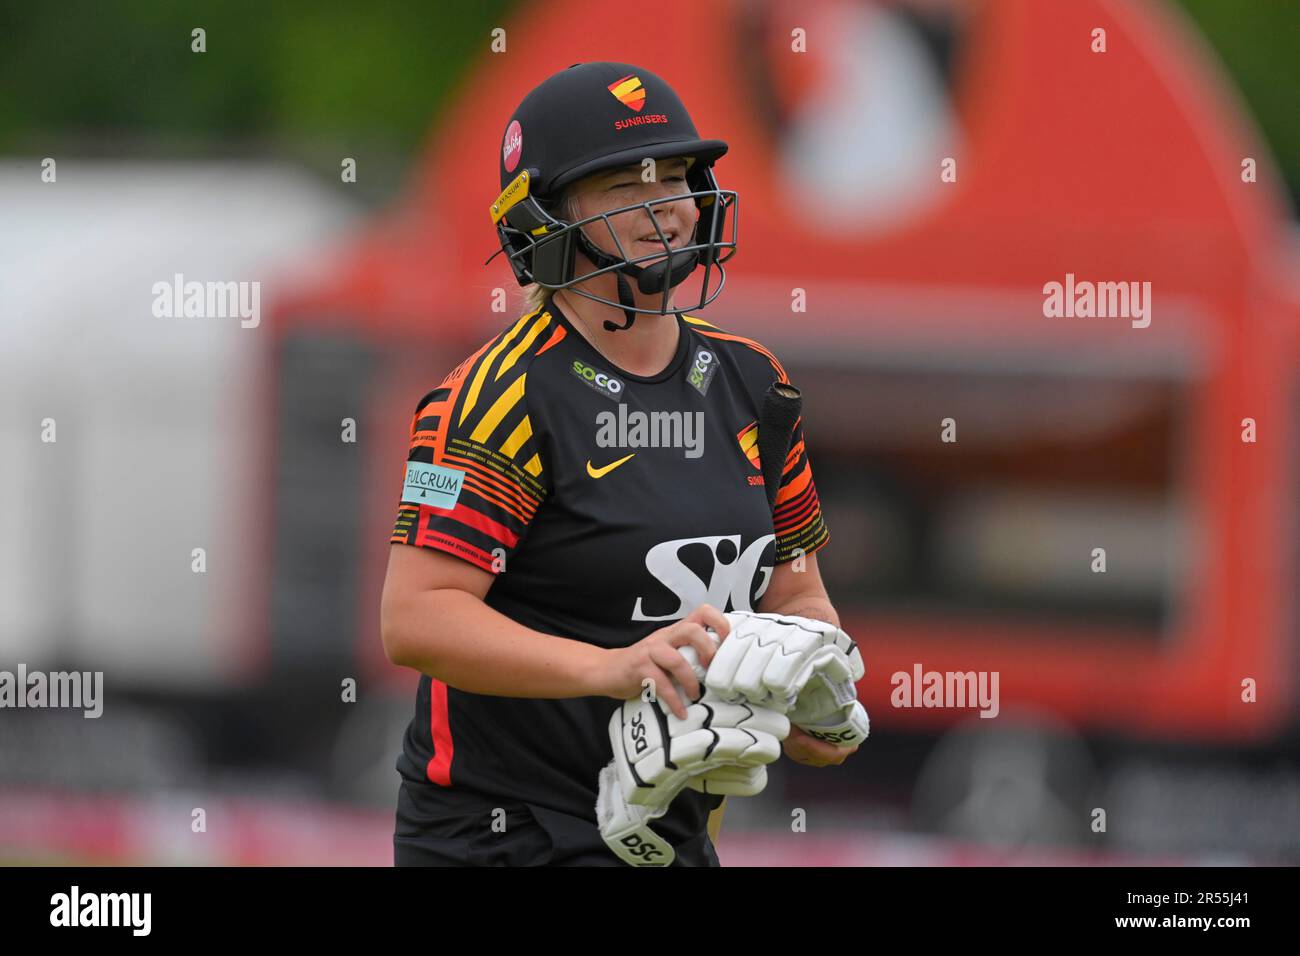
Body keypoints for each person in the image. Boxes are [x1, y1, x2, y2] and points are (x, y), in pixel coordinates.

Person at [381, 61, 855, 867]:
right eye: (622, 185)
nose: (665, 205)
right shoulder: (499, 396)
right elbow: (415, 618)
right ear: (544, 219)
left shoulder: (756, 387)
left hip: (669, 838)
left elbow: (797, 588)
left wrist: (818, 689)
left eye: (674, 175)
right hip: (505, 839)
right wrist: (612, 669)